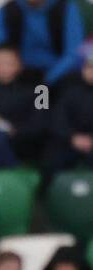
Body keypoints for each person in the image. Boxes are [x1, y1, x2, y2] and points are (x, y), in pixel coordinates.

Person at [41, 39, 93, 177]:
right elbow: (58, 118)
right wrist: (72, 137)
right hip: (68, 140)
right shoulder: (68, 88)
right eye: (89, 67)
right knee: (51, 159)